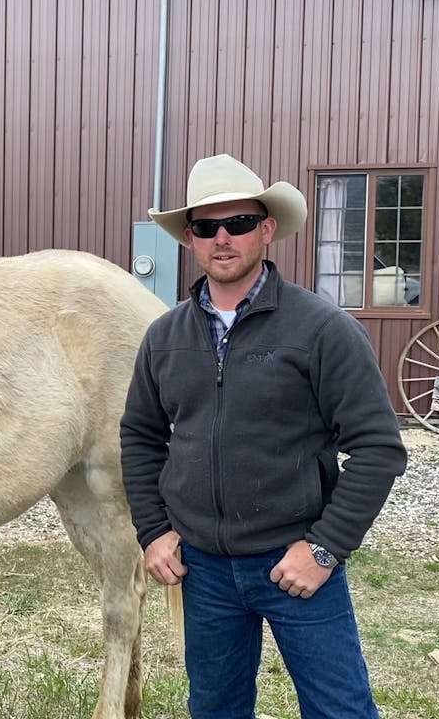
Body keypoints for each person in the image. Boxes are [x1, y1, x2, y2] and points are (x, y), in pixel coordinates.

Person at [120, 154, 407, 718]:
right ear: (190, 239)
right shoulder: (163, 337)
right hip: (201, 570)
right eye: (205, 227)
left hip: (295, 564)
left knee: (340, 710)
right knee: (216, 708)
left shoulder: (322, 330)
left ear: (267, 229)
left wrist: (324, 549)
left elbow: (378, 448)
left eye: (239, 223)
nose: (222, 238)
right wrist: (153, 531)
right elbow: (140, 436)